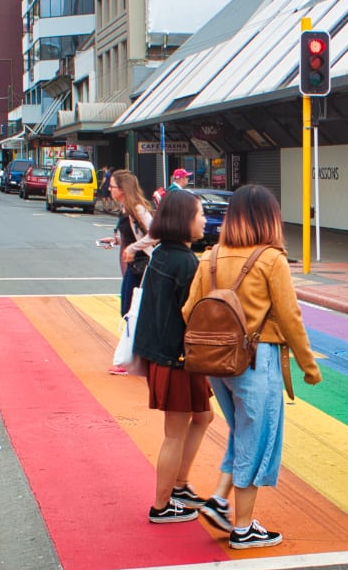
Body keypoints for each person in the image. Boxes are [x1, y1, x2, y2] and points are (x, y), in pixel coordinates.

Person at [182, 184, 322, 549]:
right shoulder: (271, 260)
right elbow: (291, 318)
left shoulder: (210, 257)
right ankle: (243, 528)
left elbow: (189, 311)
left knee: (243, 432)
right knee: (258, 441)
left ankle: (219, 499)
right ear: (268, 219)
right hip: (258, 362)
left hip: (216, 365)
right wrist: (308, 365)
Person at [132, 191, 214, 523]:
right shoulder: (185, 262)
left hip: (166, 355)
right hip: (176, 358)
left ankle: (179, 485)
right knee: (175, 432)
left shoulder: (163, 254)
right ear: (184, 220)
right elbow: (196, 313)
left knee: (203, 416)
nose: (204, 219)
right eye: (200, 213)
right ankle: (161, 504)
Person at [96, 170, 155, 373]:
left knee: (131, 310)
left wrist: (133, 248)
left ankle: (133, 358)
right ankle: (136, 357)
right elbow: (132, 235)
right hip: (133, 265)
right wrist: (115, 241)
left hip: (142, 266)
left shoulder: (137, 208)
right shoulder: (124, 209)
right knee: (129, 310)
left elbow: (156, 233)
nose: (109, 189)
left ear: (122, 189)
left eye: (112, 186)